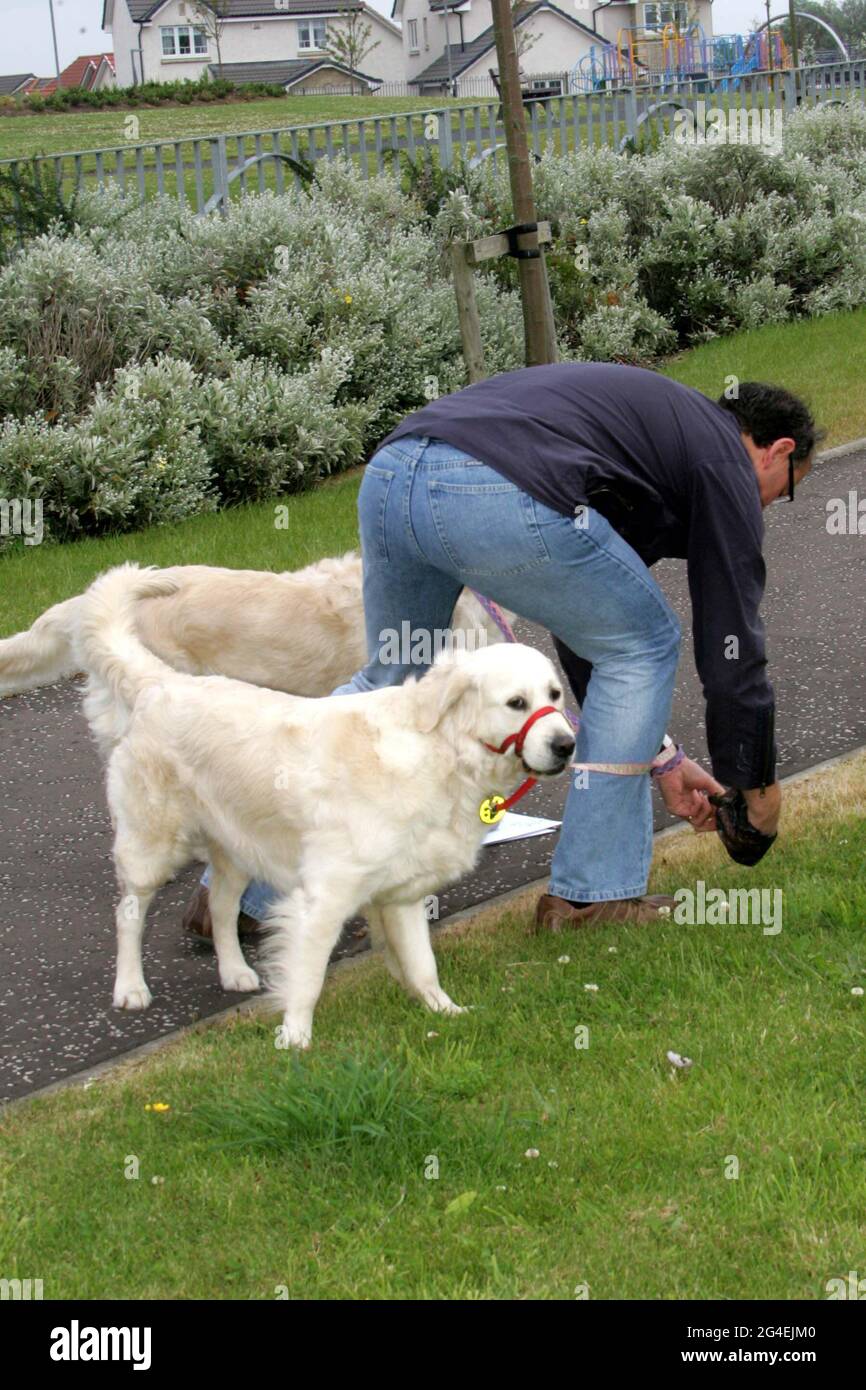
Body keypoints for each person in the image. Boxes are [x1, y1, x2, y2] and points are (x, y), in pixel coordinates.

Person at [182, 363, 819, 939]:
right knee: (648, 645)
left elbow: (586, 630)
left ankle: (242, 889)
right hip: (492, 490)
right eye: (786, 487)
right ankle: (591, 899)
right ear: (777, 450)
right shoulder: (722, 459)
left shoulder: (658, 433)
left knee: (394, 685)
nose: (769, 504)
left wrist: (660, 758)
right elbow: (731, 644)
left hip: (396, 471)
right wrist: (755, 783)